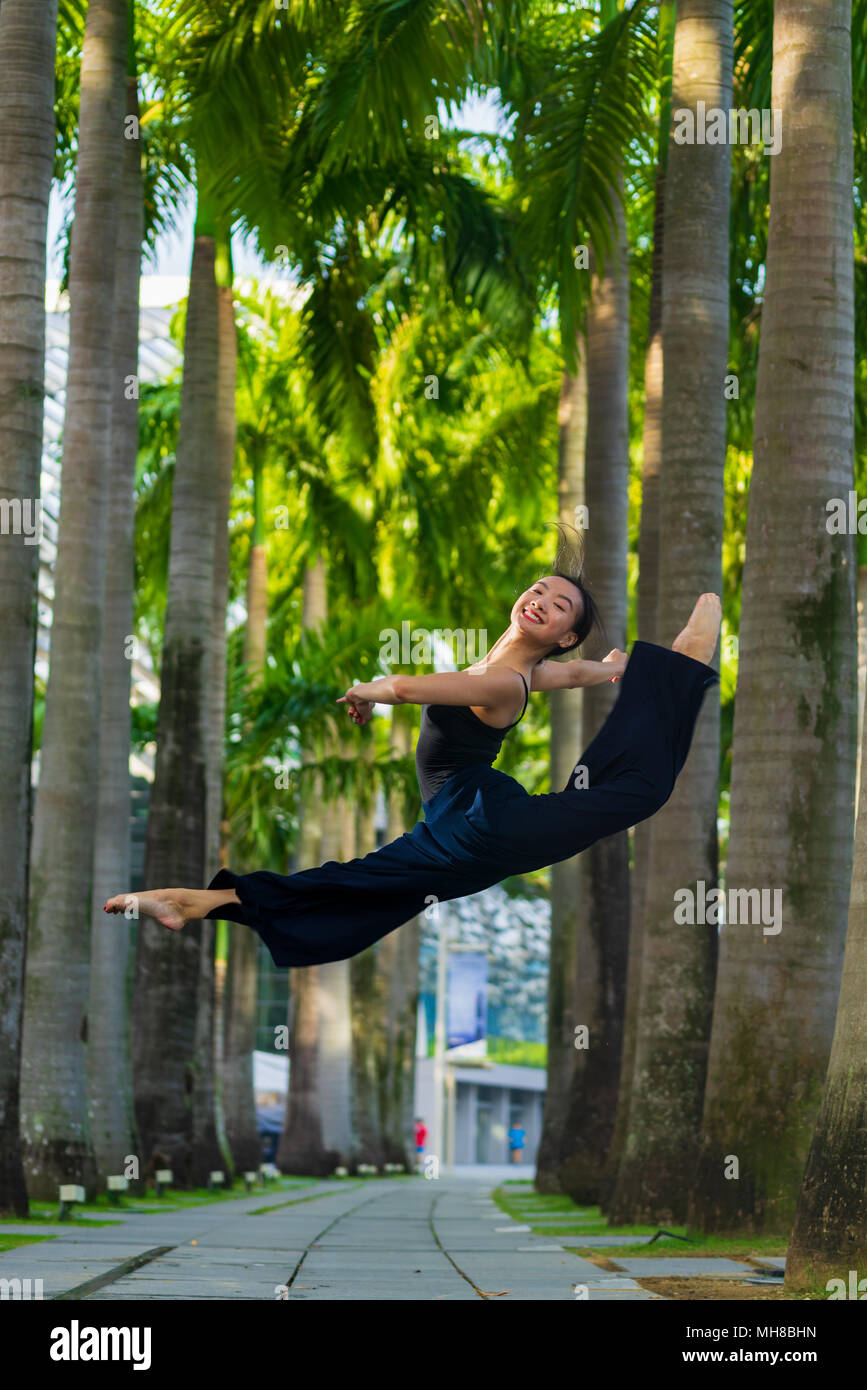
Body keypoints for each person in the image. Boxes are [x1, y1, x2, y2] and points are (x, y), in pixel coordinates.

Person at [105, 538, 721, 969]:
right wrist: (613, 668)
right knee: (355, 887)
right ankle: (191, 903)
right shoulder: (517, 671)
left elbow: (404, 688)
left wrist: (374, 690)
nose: (540, 600)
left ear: (560, 635)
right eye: (539, 589)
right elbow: (577, 674)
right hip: (452, 832)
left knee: (634, 790)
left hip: (483, 819)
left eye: (560, 607)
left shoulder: (506, 684)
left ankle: (691, 651)